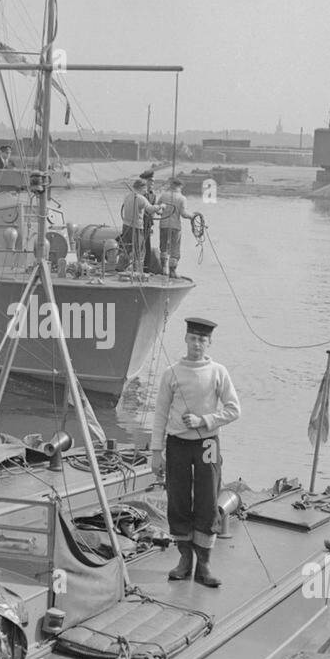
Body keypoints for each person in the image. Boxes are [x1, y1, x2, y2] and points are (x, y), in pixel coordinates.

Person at [150, 318, 241, 587]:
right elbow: (160, 414)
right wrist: (156, 452)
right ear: (186, 340)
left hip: (207, 444)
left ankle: (203, 564)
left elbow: (234, 409)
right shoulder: (171, 373)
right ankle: (184, 560)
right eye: (193, 338)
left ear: (209, 342)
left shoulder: (218, 372)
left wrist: (205, 420)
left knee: (207, 499)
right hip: (177, 443)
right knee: (178, 499)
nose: (197, 344)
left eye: (202, 340)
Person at [119, 179, 169, 275]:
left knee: (126, 248)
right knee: (139, 250)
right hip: (137, 228)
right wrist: (160, 206)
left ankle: (120, 268)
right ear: (141, 188)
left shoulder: (127, 196)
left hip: (126, 226)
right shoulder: (141, 198)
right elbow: (150, 209)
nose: (146, 191)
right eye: (145, 188)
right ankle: (138, 272)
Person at [157, 179, 199, 279]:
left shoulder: (163, 195)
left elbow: (158, 209)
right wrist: (192, 216)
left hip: (163, 225)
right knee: (174, 249)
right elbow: (184, 214)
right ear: (180, 186)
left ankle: (164, 269)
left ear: (171, 185)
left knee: (163, 247)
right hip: (175, 227)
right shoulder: (182, 198)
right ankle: (172, 272)